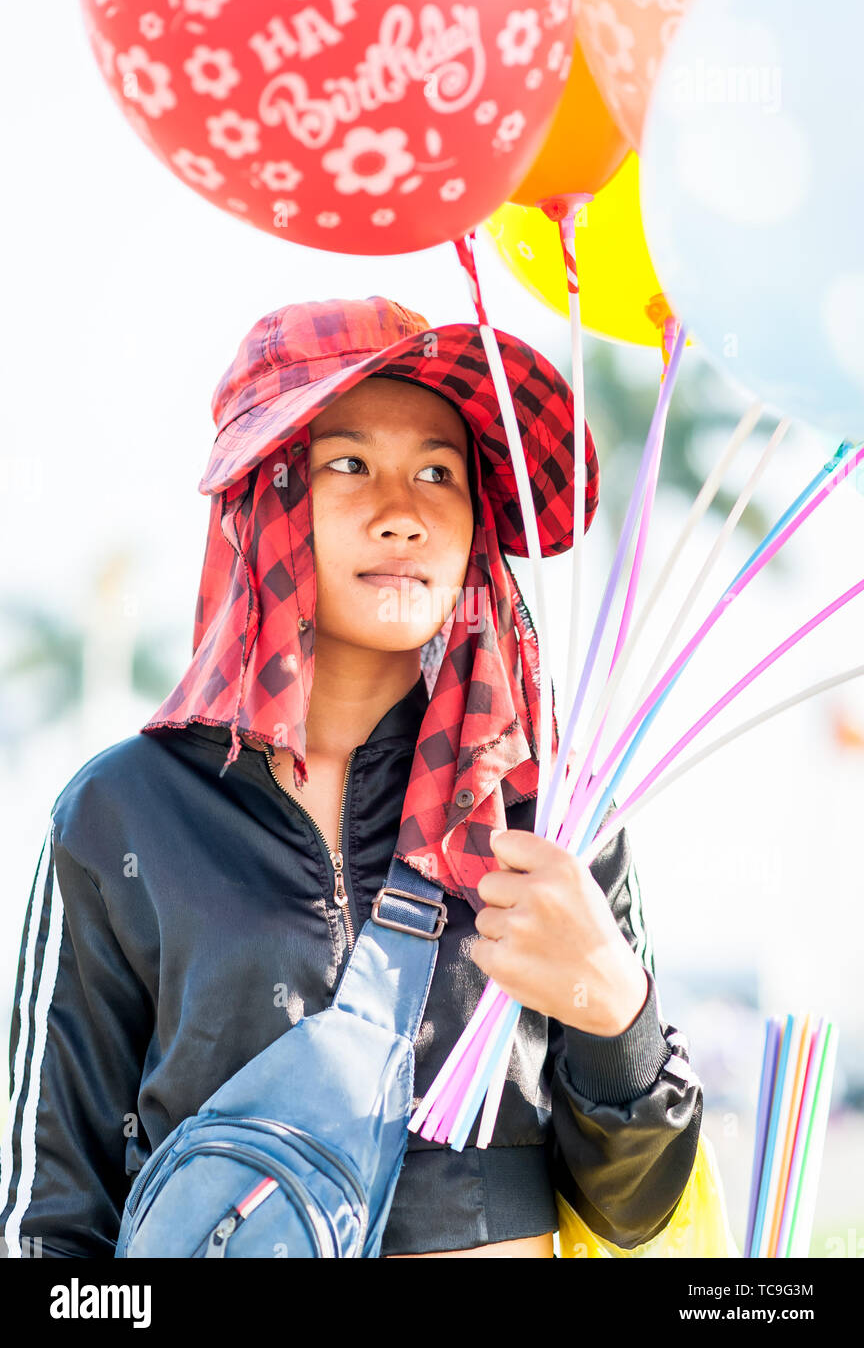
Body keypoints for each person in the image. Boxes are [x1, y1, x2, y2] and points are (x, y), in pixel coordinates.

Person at [0, 297, 702, 1260]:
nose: (404, 513)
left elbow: (635, 1211)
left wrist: (619, 1015)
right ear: (267, 497)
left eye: (438, 472)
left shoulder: (555, 815)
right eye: (347, 463)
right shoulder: (122, 813)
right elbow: (49, 1220)